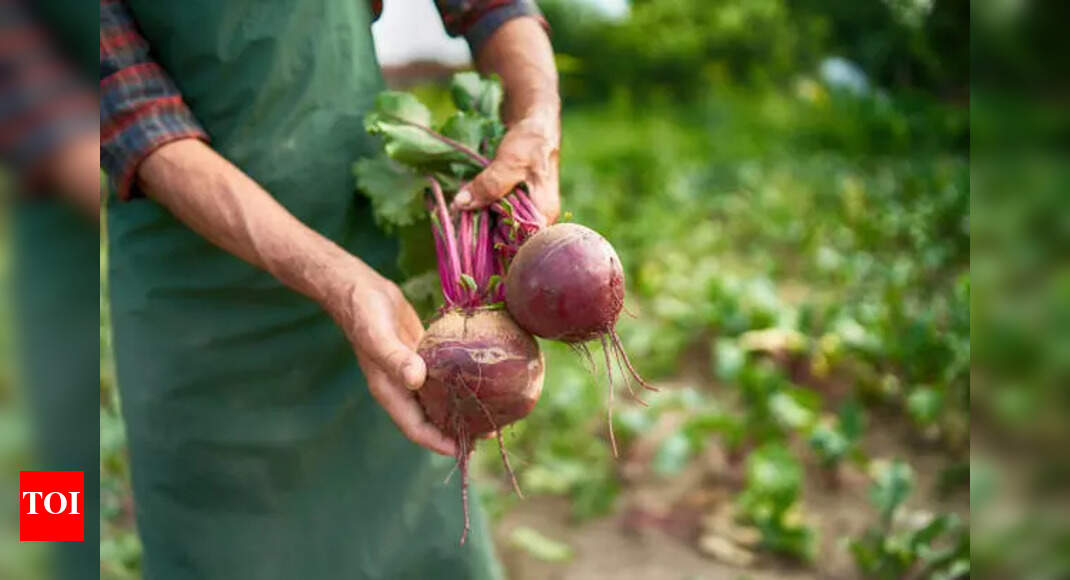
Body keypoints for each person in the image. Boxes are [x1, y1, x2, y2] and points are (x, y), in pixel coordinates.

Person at [100, 1, 560, 578]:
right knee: (227, 543)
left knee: (414, 531)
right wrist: (336, 282)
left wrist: (537, 118)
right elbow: (137, 123)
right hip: (202, 299)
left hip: (366, 248)